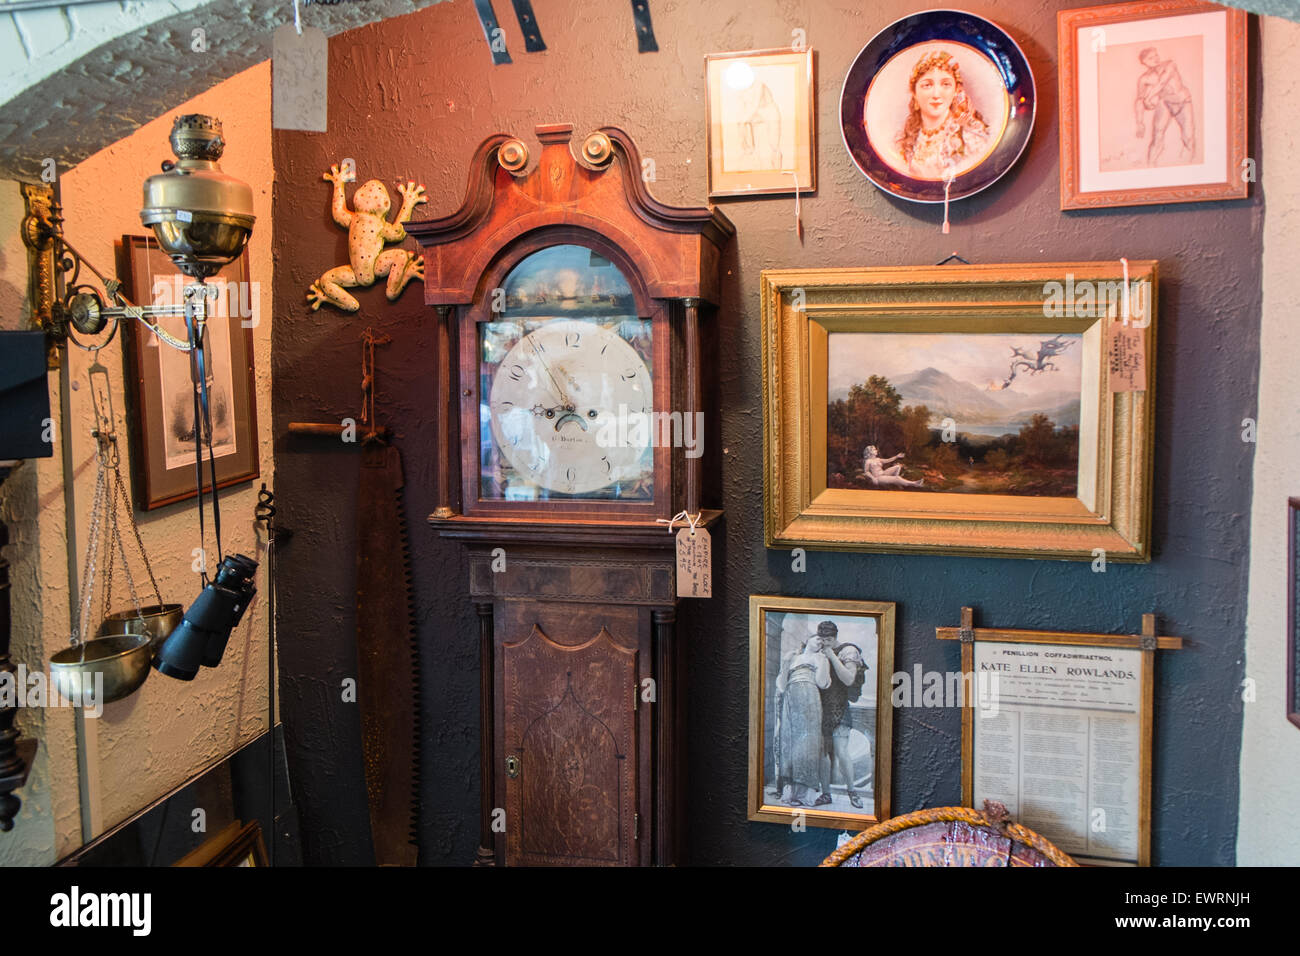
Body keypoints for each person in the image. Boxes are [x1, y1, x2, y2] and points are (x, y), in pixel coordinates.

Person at [895, 49, 992, 179]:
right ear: (914, 92)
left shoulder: (968, 135)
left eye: (946, 84)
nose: (936, 94)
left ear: (956, 90)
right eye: (927, 85)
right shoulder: (904, 140)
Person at [775, 624, 833, 807]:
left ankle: (804, 794)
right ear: (808, 639)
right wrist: (785, 663)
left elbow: (822, 683)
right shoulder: (794, 658)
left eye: (823, 641)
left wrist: (823, 661)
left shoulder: (819, 658)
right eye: (818, 638)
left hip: (809, 700)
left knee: (807, 744)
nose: (820, 642)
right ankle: (790, 792)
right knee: (789, 742)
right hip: (790, 700)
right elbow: (782, 686)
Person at [815, 633, 868, 809]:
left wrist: (831, 656)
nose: (824, 643)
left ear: (833, 638)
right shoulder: (817, 651)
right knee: (822, 753)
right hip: (821, 707)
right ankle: (825, 794)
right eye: (822, 640)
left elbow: (849, 679)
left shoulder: (847, 651)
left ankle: (852, 792)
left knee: (842, 751)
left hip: (840, 707)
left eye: (827, 640)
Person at [1134, 47, 1195, 166]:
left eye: (1156, 55)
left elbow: (1162, 83)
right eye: (1150, 58)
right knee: (1157, 136)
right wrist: (1139, 122)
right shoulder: (1144, 78)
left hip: (1183, 102)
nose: (1155, 59)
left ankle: (1191, 166)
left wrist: (1149, 97)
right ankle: (1150, 167)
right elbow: (1139, 100)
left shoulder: (1170, 65)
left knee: (1188, 136)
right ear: (1144, 62)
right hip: (1165, 103)